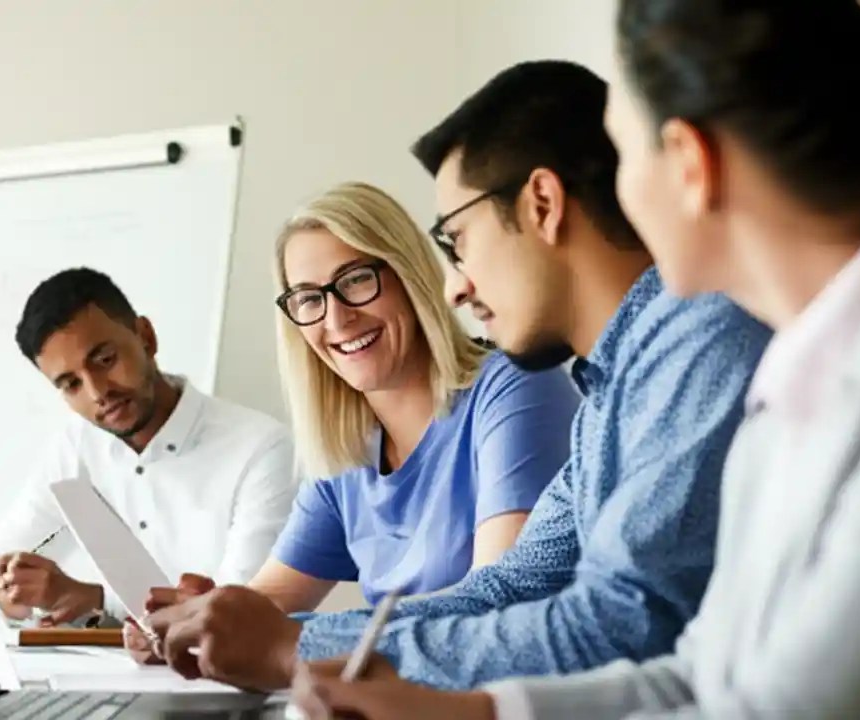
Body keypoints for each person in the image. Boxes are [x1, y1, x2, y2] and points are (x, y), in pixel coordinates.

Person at [292, 1, 860, 718]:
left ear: (691, 165)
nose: (615, 195)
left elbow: (792, 708)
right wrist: (471, 713)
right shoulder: (792, 372)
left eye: (627, 157)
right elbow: (698, 676)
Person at [142, 60, 772, 691]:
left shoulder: (695, 339)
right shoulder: (612, 386)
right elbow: (510, 586)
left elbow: (621, 622)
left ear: (544, 205)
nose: (456, 285)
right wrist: (276, 636)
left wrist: (296, 649)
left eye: (458, 239)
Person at [127, 181, 580, 663]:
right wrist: (196, 622)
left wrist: (294, 636)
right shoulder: (345, 449)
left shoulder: (517, 387)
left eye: (356, 280)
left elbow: (496, 606)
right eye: (307, 299)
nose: (336, 319)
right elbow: (269, 601)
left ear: (410, 275)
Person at [0, 267, 298, 627]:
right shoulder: (76, 446)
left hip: (219, 681)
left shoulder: (260, 448)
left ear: (146, 337)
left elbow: (241, 612)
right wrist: (12, 592)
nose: (98, 392)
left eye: (104, 360)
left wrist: (96, 600)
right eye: (71, 384)